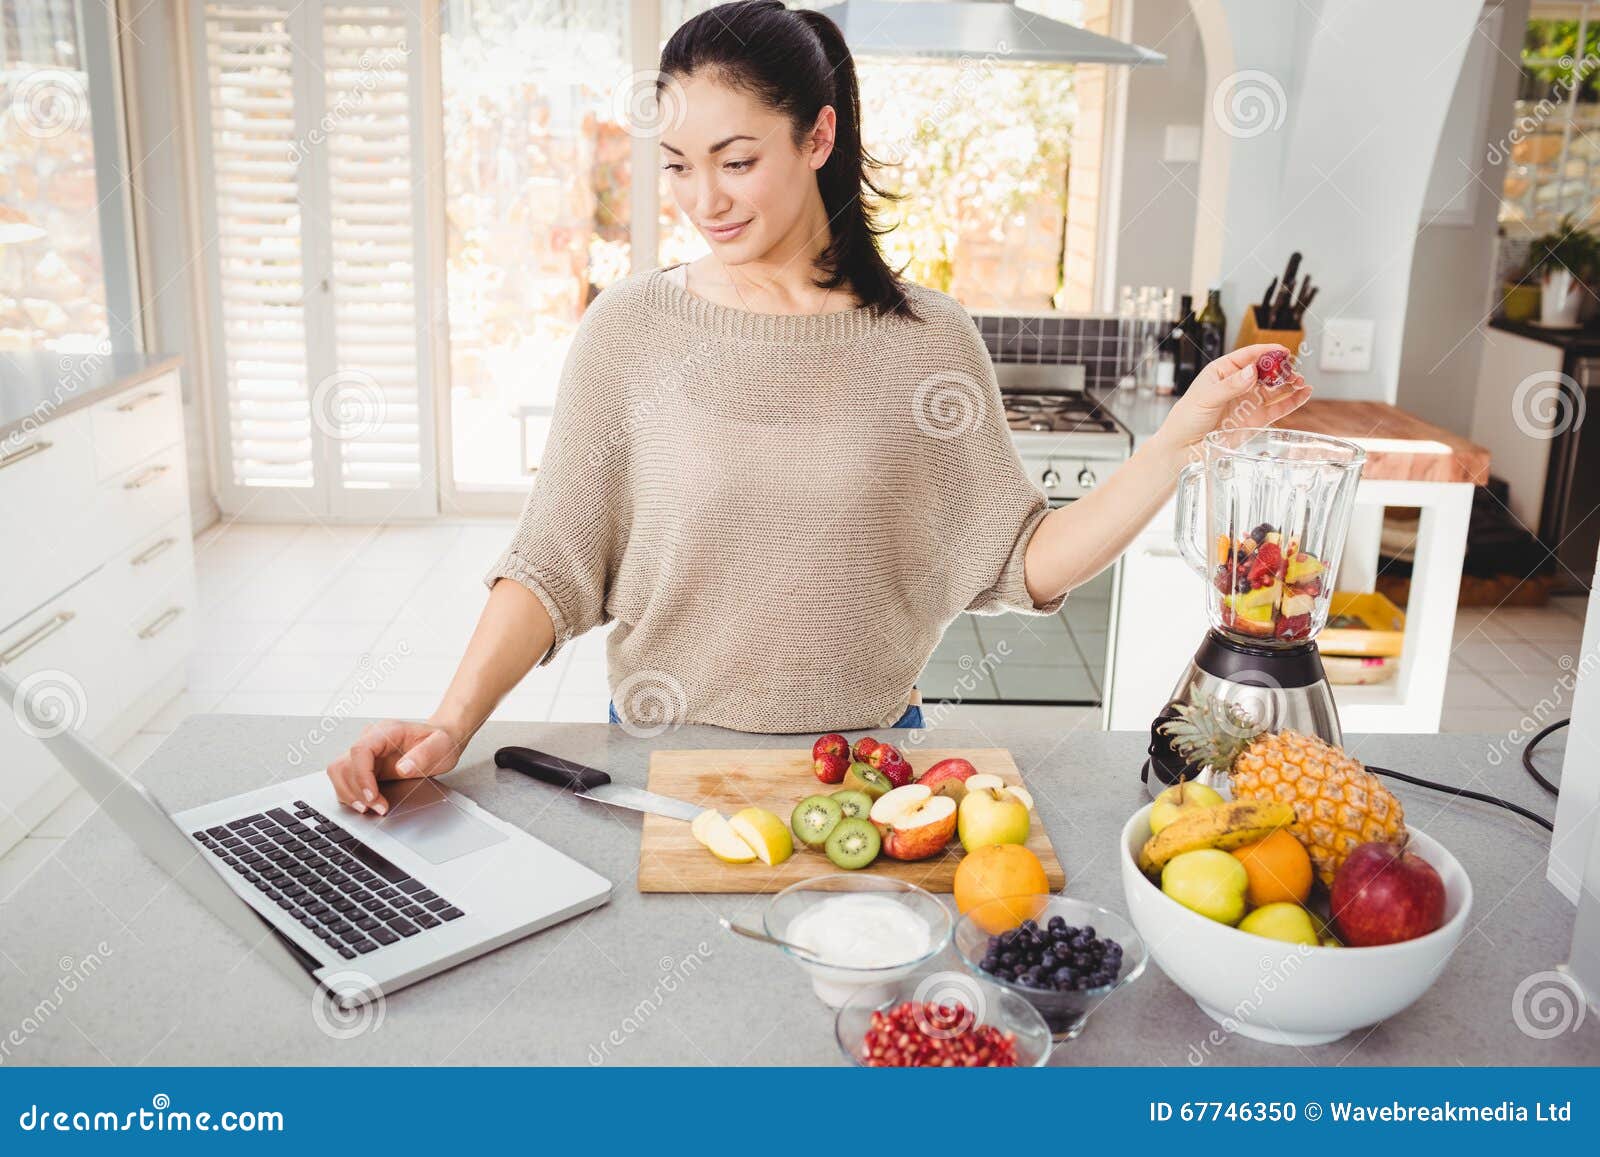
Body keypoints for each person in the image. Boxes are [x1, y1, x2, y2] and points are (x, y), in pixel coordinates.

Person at [324, 1, 1308, 814]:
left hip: (875, 773)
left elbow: (1024, 559)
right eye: (677, 162)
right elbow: (549, 566)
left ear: (818, 136)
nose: (702, 196)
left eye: (736, 159)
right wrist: (451, 722)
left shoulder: (926, 339)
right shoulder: (629, 330)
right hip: (662, 772)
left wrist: (1187, 436)